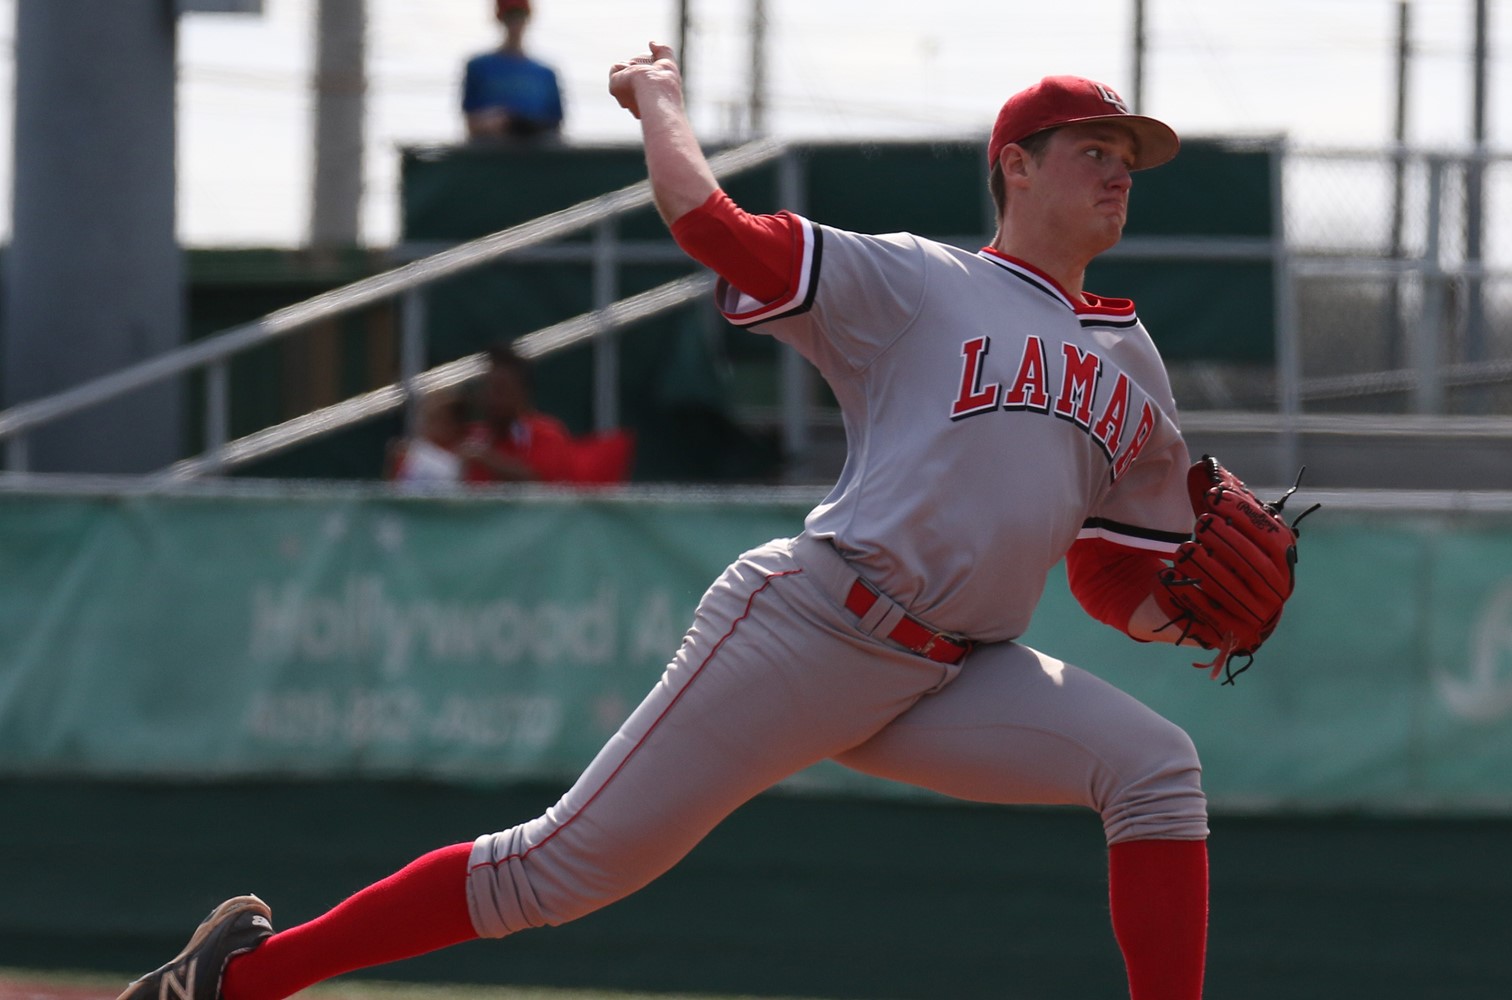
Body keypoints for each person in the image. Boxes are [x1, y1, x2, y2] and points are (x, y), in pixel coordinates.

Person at [118, 48, 1224, 1000]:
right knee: (549, 873)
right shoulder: (917, 282)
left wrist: (1192, 612)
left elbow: (1119, 576)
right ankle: (239, 983)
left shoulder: (1131, 362)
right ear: (1015, 166)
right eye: (1093, 150)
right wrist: (658, 102)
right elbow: (713, 226)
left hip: (957, 672)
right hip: (815, 627)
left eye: (1128, 161)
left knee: (1156, 771)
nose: (1116, 175)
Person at [458, 344, 575, 483]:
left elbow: (540, 482)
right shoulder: (472, 435)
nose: (491, 397)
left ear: (522, 394)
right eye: (486, 387)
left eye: (500, 390)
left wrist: (484, 458)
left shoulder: (546, 434)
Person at [461, 0, 563, 141]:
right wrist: (495, 122)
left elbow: (556, 125)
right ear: (500, 18)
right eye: (510, 16)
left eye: (520, 16)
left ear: (528, 18)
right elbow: (470, 121)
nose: (515, 23)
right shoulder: (478, 67)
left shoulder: (546, 74)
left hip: (535, 149)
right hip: (492, 148)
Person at [386, 389, 469, 485]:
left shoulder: (465, 454)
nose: (433, 425)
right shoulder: (409, 453)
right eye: (428, 418)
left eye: (439, 418)